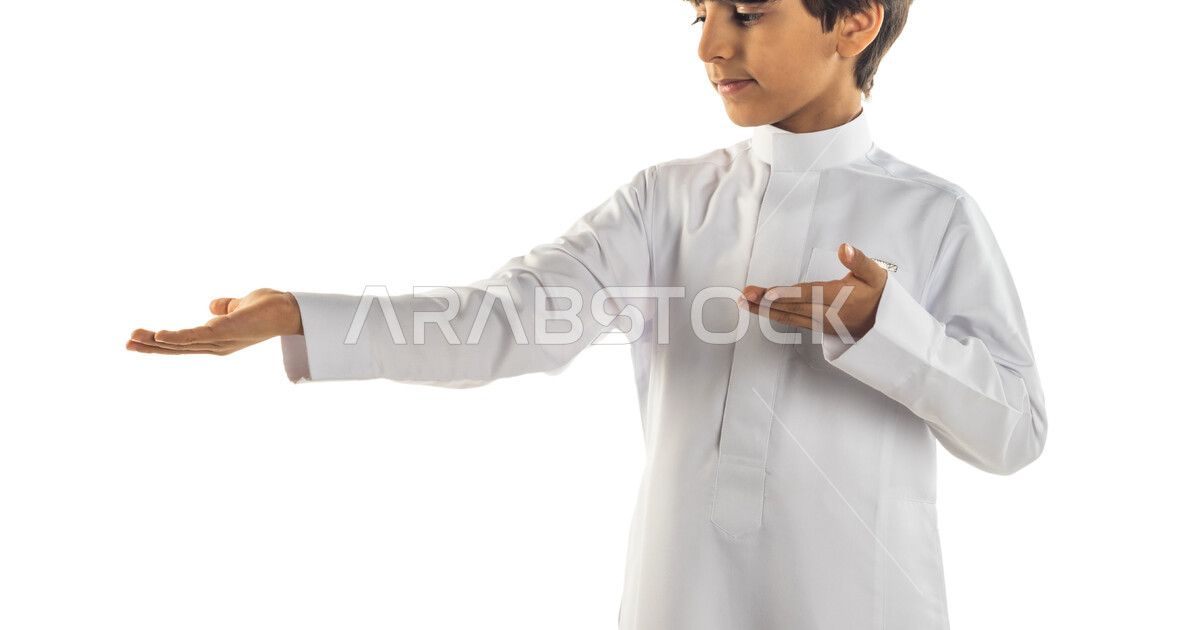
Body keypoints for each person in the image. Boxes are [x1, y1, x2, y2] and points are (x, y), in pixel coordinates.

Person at [127, 0, 1048, 627]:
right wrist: (302, 315)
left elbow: (1015, 434)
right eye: (699, 14)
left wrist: (890, 330)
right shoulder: (666, 202)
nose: (708, 46)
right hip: (678, 598)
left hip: (865, 604)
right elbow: (502, 323)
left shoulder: (936, 216)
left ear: (854, 21)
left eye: (749, 13)